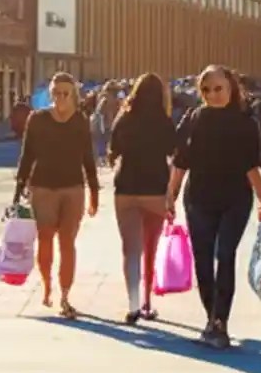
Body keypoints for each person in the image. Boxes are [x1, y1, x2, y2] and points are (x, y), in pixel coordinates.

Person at [167, 65, 261, 349]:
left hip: (235, 199)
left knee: (224, 254)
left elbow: (251, 168)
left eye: (218, 89)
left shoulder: (245, 123)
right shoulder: (194, 119)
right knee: (202, 258)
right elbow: (180, 161)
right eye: (206, 90)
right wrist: (170, 196)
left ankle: (220, 322)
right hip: (198, 198)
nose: (212, 95)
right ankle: (211, 319)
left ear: (231, 88)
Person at [14, 72, 100, 319]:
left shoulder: (80, 121)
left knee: (67, 243)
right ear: (50, 95)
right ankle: (46, 285)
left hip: (73, 188)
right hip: (42, 188)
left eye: (65, 93)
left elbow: (88, 158)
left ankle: (64, 295)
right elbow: (27, 154)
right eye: (56, 93)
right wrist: (19, 186)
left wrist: (94, 191)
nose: (61, 99)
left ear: (73, 95)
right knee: (45, 239)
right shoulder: (38, 119)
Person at [108, 73, 176, 324]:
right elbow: (172, 155)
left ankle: (133, 304)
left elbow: (112, 151)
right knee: (150, 249)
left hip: (125, 189)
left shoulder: (124, 119)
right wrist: (171, 195)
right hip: (155, 190)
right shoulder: (164, 122)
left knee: (131, 251)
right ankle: (147, 302)